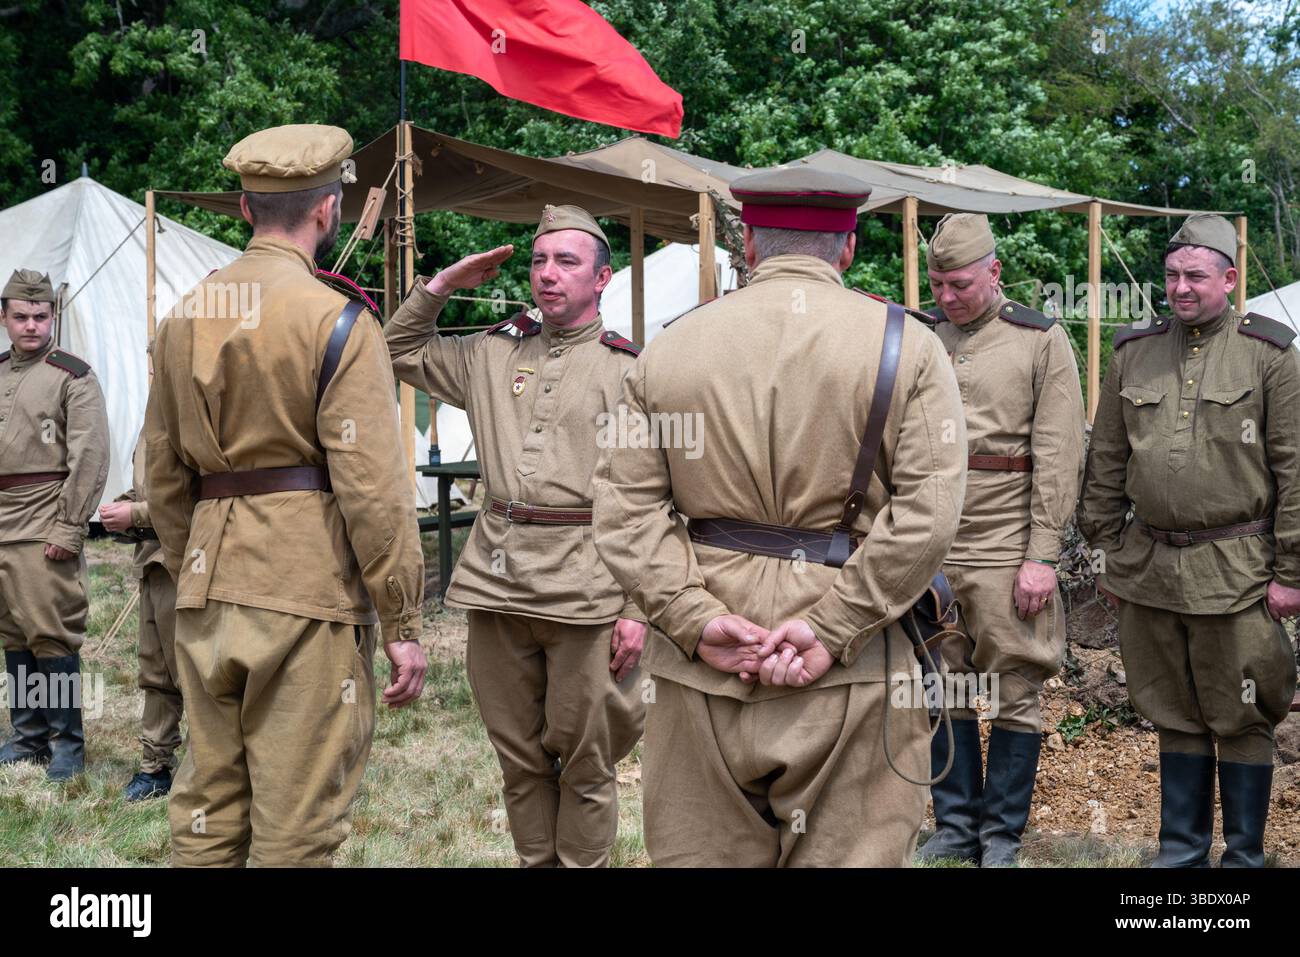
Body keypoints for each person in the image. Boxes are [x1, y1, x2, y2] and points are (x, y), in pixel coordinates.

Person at [591, 168, 967, 866]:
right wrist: (833, 626)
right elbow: (929, 514)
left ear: (753, 247)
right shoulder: (908, 345)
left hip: (703, 669)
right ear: (847, 249)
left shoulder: (668, 347)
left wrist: (694, 617)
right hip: (849, 672)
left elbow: (623, 511)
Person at [145, 123, 427, 866]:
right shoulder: (337, 321)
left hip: (207, 588)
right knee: (296, 825)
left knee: (206, 809)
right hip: (305, 589)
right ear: (329, 211)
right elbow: (374, 489)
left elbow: (163, 473)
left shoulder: (180, 320)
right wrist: (400, 616)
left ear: (244, 209)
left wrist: (193, 562)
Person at [384, 204, 647, 868]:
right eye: (538, 261)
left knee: (586, 759)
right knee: (518, 754)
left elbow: (659, 499)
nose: (547, 274)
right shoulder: (489, 353)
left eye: (566, 262)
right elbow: (395, 349)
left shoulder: (630, 370)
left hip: (589, 584)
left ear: (603, 278)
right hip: (497, 580)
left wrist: (639, 607)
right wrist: (440, 286)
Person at [1078, 213, 1300, 867]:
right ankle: (1179, 852)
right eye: (1172, 274)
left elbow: (1294, 468)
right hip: (1148, 566)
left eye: (1195, 275)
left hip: (1240, 569)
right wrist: (1107, 552)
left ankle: (1243, 858)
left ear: (1229, 278)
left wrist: (1292, 570)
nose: (1180, 287)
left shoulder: (1271, 354)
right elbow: (1105, 465)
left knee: (1241, 709)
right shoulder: (1133, 352)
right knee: (1171, 707)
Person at [921, 213, 1085, 866]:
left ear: (995, 271)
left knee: (1016, 687)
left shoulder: (1039, 340)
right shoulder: (925, 335)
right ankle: (956, 825)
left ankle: (1000, 837)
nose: (946, 297)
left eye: (959, 284)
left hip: (1005, 542)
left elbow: (1058, 450)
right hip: (935, 542)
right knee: (943, 682)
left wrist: (1042, 554)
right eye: (936, 284)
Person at [0, 267, 109, 780]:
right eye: (20, 316)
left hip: (43, 518)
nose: (31, 326)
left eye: (40, 316)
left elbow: (89, 456)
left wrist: (69, 526)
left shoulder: (73, 375)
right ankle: (29, 738)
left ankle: (67, 744)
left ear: (53, 316)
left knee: (50, 635)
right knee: (13, 634)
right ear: (4, 318)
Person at [99, 430, 181, 801]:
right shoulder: (151, 425)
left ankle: (213, 766)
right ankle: (155, 766)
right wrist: (126, 508)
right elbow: (147, 489)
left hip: (188, 564)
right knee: (155, 671)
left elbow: (197, 495)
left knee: (194, 675)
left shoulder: (193, 410)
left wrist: (138, 513)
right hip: (151, 562)